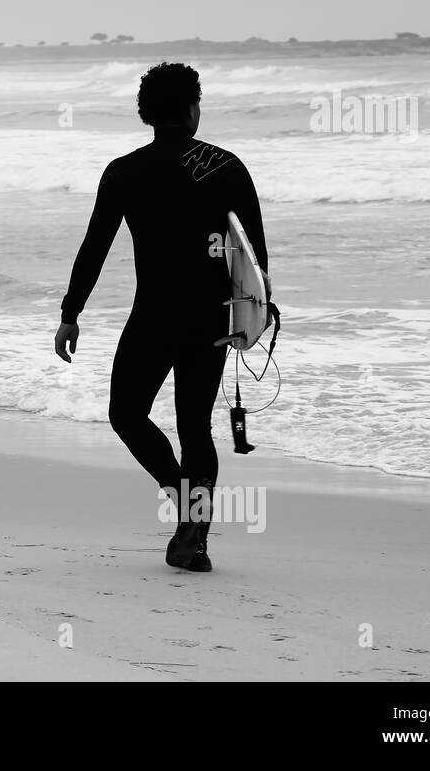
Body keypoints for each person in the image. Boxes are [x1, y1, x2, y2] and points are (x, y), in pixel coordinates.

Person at [54, 63, 268, 571]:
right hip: (211, 318)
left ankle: (180, 497)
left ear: (148, 113)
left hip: (152, 316)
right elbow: (252, 254)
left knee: (125, 413)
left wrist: (71, 313)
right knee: (195, 425)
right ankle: (194, 534)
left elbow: (95, 248)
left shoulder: (125, 171)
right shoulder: (225, 166)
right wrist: (254, 315)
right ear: (192, 108)